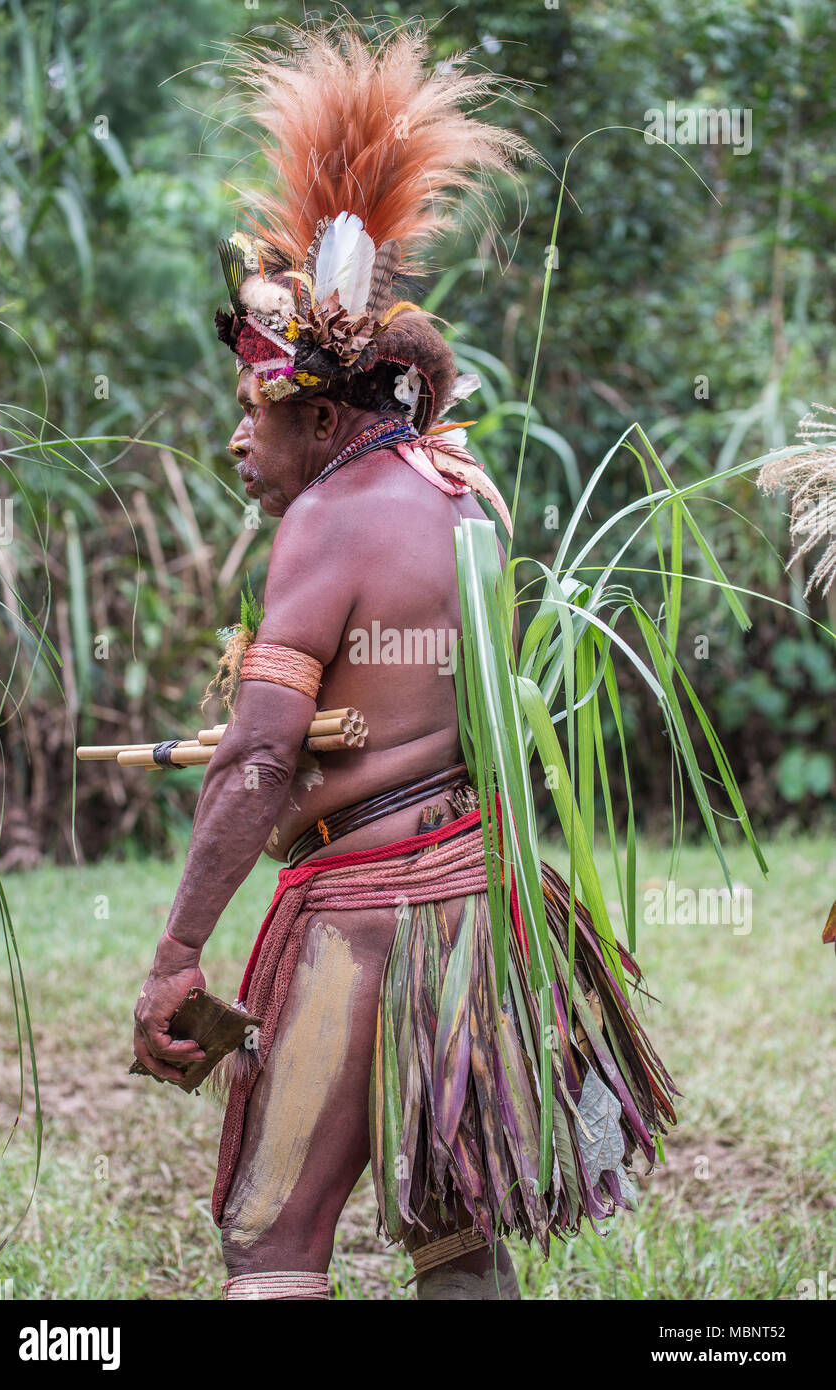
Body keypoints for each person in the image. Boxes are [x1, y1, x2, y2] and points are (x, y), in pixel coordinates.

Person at [132, 22, 675, 1301]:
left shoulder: (329, 516)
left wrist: (173, 956)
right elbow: (407, 710)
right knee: (456, 1239)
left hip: (366, 925)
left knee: (272, 1240)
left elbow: (266, 754)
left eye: (251, 417)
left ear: (320, 415)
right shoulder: (461, 485)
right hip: (474, 919)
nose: (234, 444)